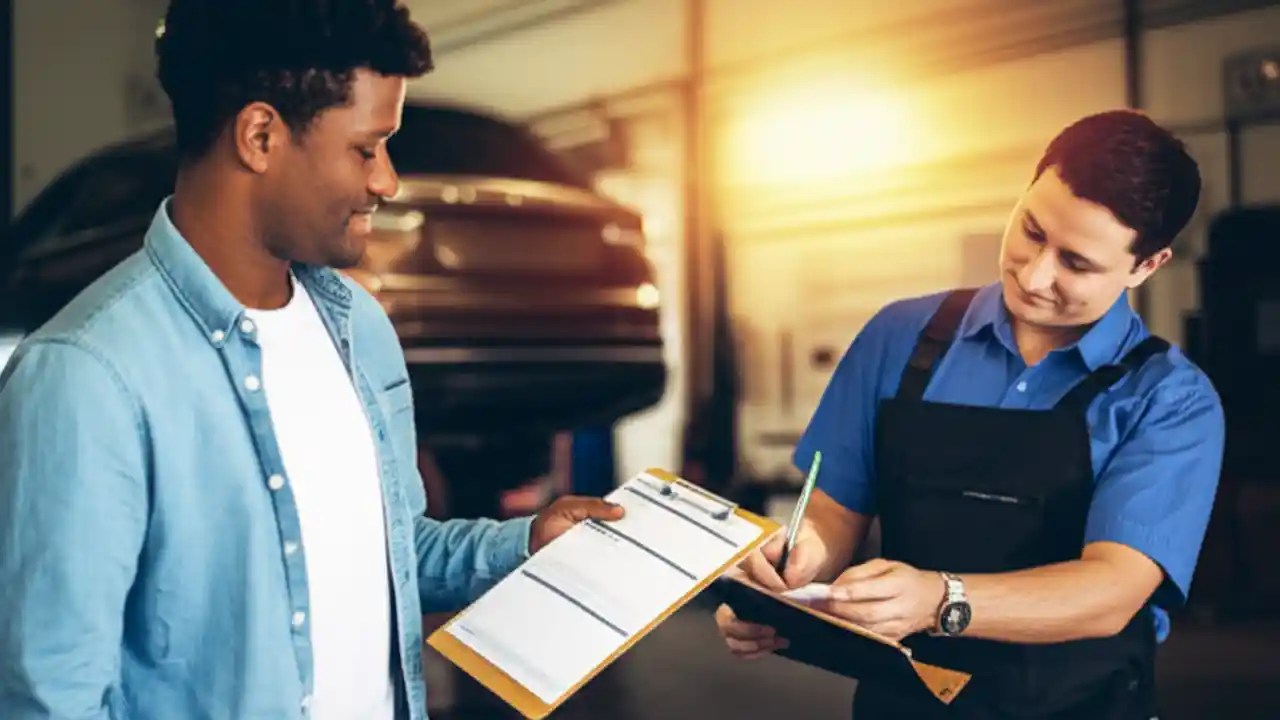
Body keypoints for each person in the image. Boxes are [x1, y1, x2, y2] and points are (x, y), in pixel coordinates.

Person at [0, 2, 623, 718]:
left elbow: (386, 554)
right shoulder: (86, 378)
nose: (387, 181)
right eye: (367, 148)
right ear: (261, 135)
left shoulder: (357, 327)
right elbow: (51, 700)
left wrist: (524, 544)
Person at [715, 110, 1225, 719]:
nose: (1036, 276)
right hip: (901, 705)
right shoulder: (898, 337)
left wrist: (940, 600)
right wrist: (786, 575)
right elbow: (830, 514)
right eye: (1032, 231)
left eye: (1077, 264)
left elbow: (1111, 590)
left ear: (1147, 266)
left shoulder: (1170, 400)